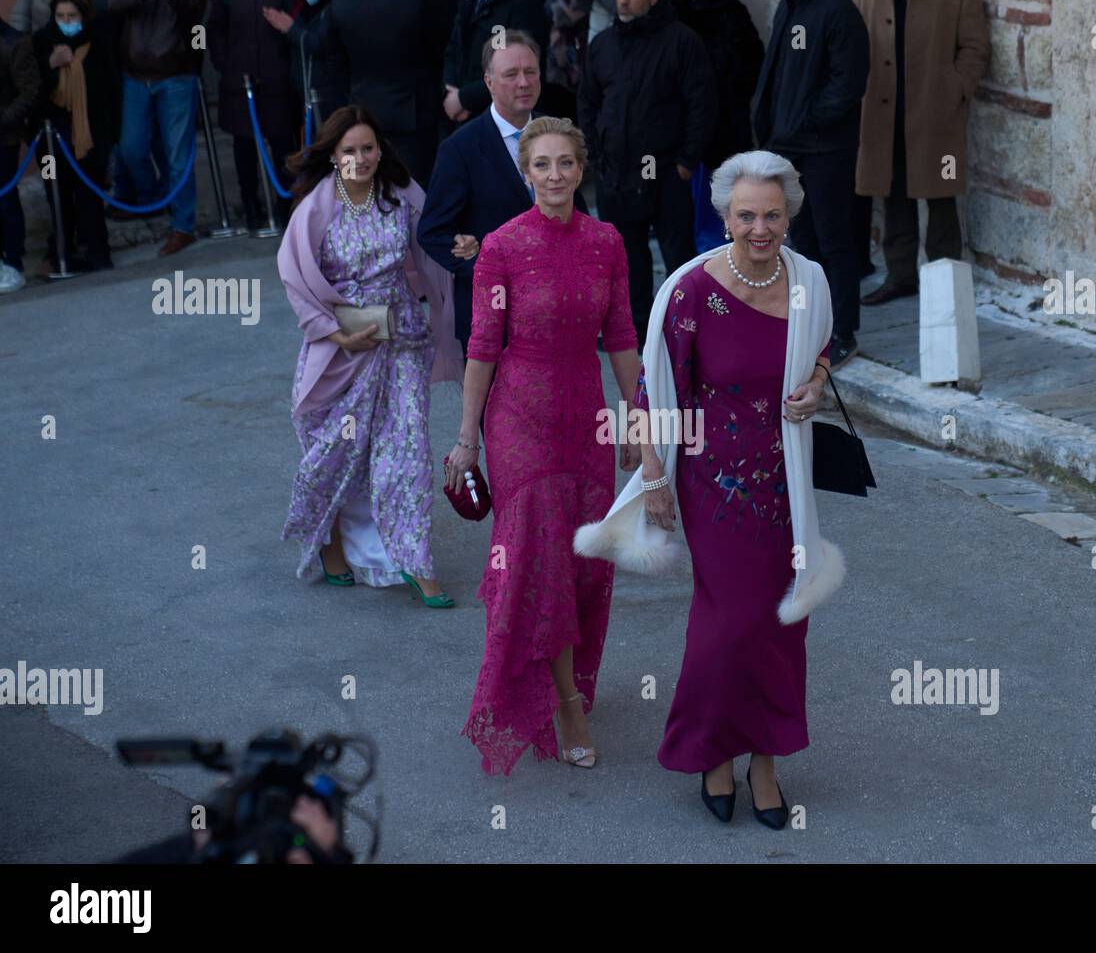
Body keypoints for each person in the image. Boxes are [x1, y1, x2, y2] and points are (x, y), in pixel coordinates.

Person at [575, 150, 845, 829]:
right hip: (713, 481)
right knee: (728, 622)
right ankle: (710, 752)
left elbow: (820, 350)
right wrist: (657, 477)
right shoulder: (692, 291)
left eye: (772, 215)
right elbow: (654, 391)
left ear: (789, 217)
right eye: (746, 215)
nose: (760, 228)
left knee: (783, 619)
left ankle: (766, 762)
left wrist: (813, 385)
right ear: (723, 216)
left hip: (786, 479)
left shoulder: (809, 280)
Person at [445, 116, 641, 775]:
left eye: (565, 164)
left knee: (585, 563)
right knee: (542, 562)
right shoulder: (501, 248)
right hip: (519, 423)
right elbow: (481, 348)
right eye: (542, 165)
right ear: (526, 173)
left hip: (585, 420)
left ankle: (564, 679)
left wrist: (636, 421)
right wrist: (466, 439)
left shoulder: (607, 241)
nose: (555, 176)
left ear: (580, 170)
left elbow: (620, 337)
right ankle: (567, 706)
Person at [278, 106, 461, 603]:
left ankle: (415, 561)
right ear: (333, 156)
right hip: (341, 347)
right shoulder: (316, 207)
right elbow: (294, 276)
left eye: (367, 148)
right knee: (337, 453)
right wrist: (334, 334)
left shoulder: (403, 197)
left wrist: (463, 249)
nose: (359, 158)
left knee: (408, 450)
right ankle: (331, 542)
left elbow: (436, 241)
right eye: (349, 151)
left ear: (380, 150)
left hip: (402, 338)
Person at [417, 30, 588, 355]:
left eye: (531, 72)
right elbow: (433, 231)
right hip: (493, 317)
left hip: (560, 310)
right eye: (511, 74)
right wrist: (482, 267)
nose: (524, 82)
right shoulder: (460, 148)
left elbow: (578, 211)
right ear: (489, 82)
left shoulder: (560, 133)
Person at [578, 0, 715, 348]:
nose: (621, 0)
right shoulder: (602, 45)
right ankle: (635, 331)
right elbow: (588, 103)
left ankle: (687, 329)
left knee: (679, 257)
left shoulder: (682, 41)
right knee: (626, 260)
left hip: (667, 173)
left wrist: (686, 163)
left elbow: (702, 104)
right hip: (616, 174)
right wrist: (595, 156)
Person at [754, 0, 867, 369]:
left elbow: (848, 83)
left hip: (825, 147)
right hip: (788, 145)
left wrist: (808, 119)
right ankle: (811, 324)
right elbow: (777, 72)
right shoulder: (789, 8)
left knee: (833, 237)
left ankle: (843, 332)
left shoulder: (839, 12)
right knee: (801, 242)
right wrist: (767, 123)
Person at [856, 0, 989, 307]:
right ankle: (900, 276)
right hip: (882, 111)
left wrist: (956, 88)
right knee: (892, 192)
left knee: (942, 194)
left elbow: (975, 46)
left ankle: (946, 281)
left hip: (935, 114)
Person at [108, 0, 206, 257]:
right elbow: (112, 5)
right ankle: (153, 198)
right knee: (130, 147)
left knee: (178, 156)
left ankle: (183, 226)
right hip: (135, 75)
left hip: (177, 75)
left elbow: (196, 10)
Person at [322, 0, 455, 185]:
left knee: (369, 193)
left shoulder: (340, 3)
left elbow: (335, 65)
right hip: (414, 115)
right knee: (415, 196)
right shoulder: (419, 2)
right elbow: (442, 47)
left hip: (362, 111)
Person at [31, 0, 119, 272]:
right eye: (61, 16)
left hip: (88, 134)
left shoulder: (97, 41)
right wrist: (51, 65)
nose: (67, 22)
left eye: (72, 15)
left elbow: (110, 89)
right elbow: (32, 91)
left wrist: (109, 134)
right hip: (49, 135)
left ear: (82, 15)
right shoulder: (41, 43)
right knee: (56, 195)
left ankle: (97, 253)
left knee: (89, 195)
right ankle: (61, 252)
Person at [668, 0, 761, 252]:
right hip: (683, 139)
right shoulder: (672, 15)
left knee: (721, 221)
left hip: (723, 134)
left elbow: (752, 66)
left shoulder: (731, 14)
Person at [208, 0, 297, 231]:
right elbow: (212, 27)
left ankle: (287, 205)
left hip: (277, 80)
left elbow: (297, 20)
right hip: (239, 80)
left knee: (283, 147)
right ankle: (251, 206)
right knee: (244, 146)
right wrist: (224, 63)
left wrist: (289, 64)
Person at [442, 0, 550, 129]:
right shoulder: (470, 1)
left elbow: (523, 69)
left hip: (504, 123)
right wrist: (449, 91)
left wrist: (464, 99)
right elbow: (453, 50)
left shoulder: (525, 4)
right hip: (460, 118)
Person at [261, 0, 350, 134]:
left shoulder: (333, 7)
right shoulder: (301, 5)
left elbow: (319, 43)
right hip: (305, 89)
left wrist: (290, 28)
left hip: (329, 91)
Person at [0, 18, 38, 292]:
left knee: (6, 200)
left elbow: (29, 91)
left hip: (4, 138)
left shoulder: (13, 42)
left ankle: (13, 263)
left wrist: (3, 118)